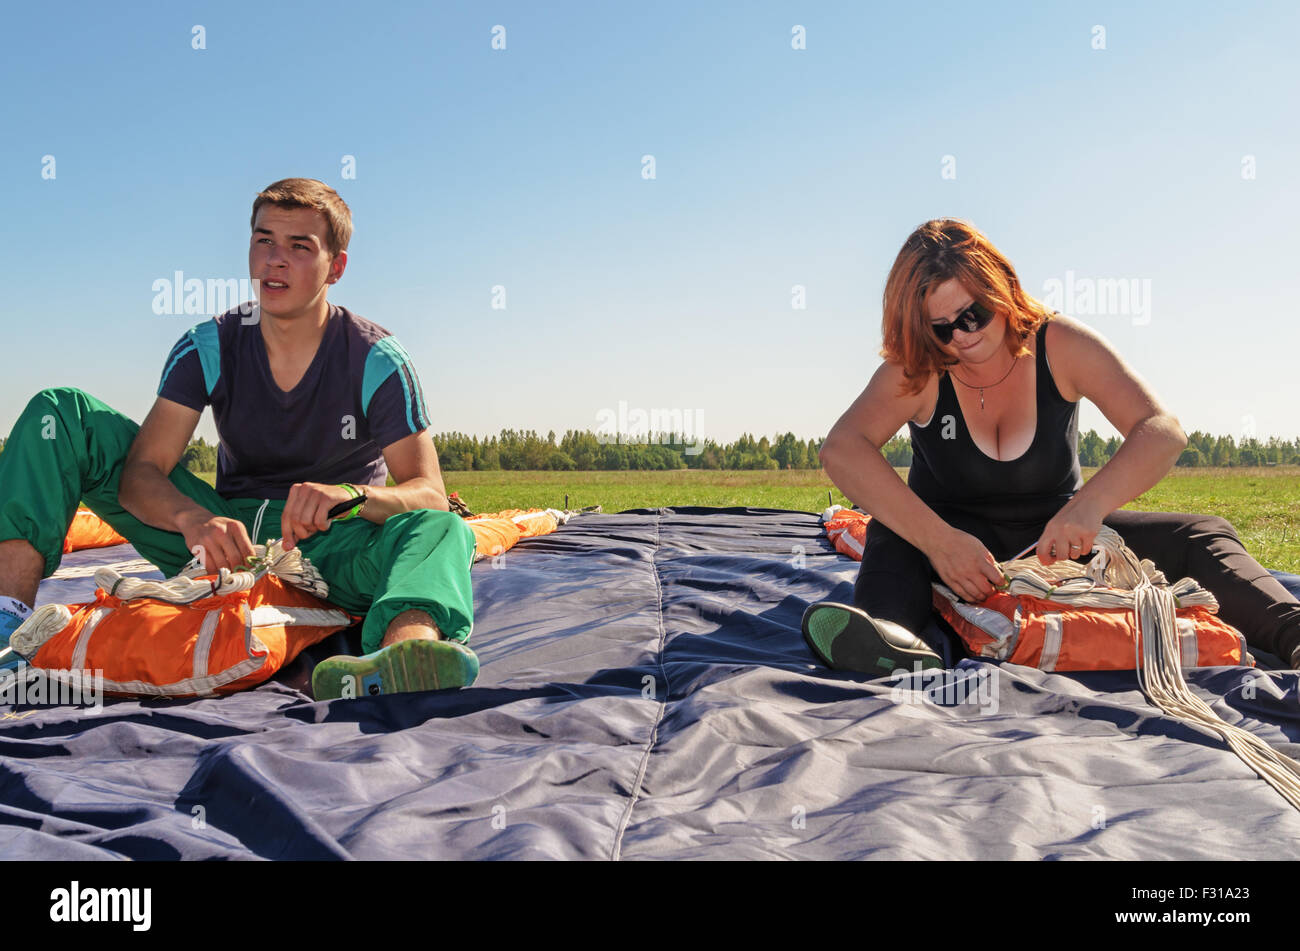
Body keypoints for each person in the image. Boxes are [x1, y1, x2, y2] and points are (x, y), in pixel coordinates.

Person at [0, 178, 479, 699]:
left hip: (333, 544)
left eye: (300, 247)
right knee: (62, 411)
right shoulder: (209, 344)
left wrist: (350, 497)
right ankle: (8, 629)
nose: (276, 260)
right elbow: (141, 474)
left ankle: (404, 655)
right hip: (228, 544)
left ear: (335, 267)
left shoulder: (378, 358)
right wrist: (194, 519)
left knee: (442, 528)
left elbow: (428, 492)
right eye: (264, 240)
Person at [806, 218, 1300, 674]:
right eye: (942, 327)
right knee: (895, 533)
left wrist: (1088, 508)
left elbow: (1161, 430)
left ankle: (1292, 634)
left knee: (1203, 533)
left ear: (1000, 290)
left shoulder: (1058, 343)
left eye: (973, 314)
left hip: (1055, 540)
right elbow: (843, 448)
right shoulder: (918, 366)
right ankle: (892, 645)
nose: (962, 335)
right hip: (950, 542)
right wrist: (939, 542)